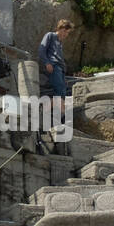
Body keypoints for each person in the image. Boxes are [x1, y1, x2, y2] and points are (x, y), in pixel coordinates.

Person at [38, 18, 74, 155]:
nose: (66, 35)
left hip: (59, 69)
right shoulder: (50, 36)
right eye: (66, 32)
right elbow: (41, 50)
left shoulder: (60, 43)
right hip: (53, 67)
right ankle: (57, 115)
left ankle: (53, 112)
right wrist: (47, 63)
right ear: (61, 29)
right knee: (60, 93)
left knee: (62, 93)